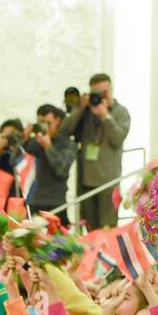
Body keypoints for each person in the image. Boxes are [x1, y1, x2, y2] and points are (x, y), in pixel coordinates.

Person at [59, 73, 131, 229]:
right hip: (86, 180)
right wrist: (80, 108)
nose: (100, 97)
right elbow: (64, 130)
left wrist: (105, 115)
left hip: (109, 182)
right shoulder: (85, 112)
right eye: (96, 93)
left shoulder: (120, 112)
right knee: (89, 229)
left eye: (104, 93)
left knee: (107, 229)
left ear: (111, 90)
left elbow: (118, 138)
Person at [16, 105, 75, 220]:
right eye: (40, 122)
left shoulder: (68, 144)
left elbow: (62, 170)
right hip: (34, 200)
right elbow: (14, 160)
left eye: (47, 122)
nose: (44, 126)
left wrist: (48, 147)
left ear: (57, 120)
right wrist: (24, 138)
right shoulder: (36, 142)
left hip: (56, 202)